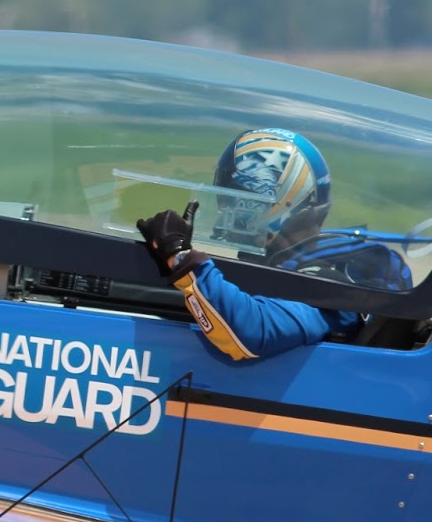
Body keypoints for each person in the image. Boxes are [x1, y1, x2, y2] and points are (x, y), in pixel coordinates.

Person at [136, 127, 363, 361]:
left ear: (283, 200)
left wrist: (180, 256)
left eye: (239, 200)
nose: (226, 212)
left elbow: (251, 334)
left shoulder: (328, 290)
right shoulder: (279, 268)